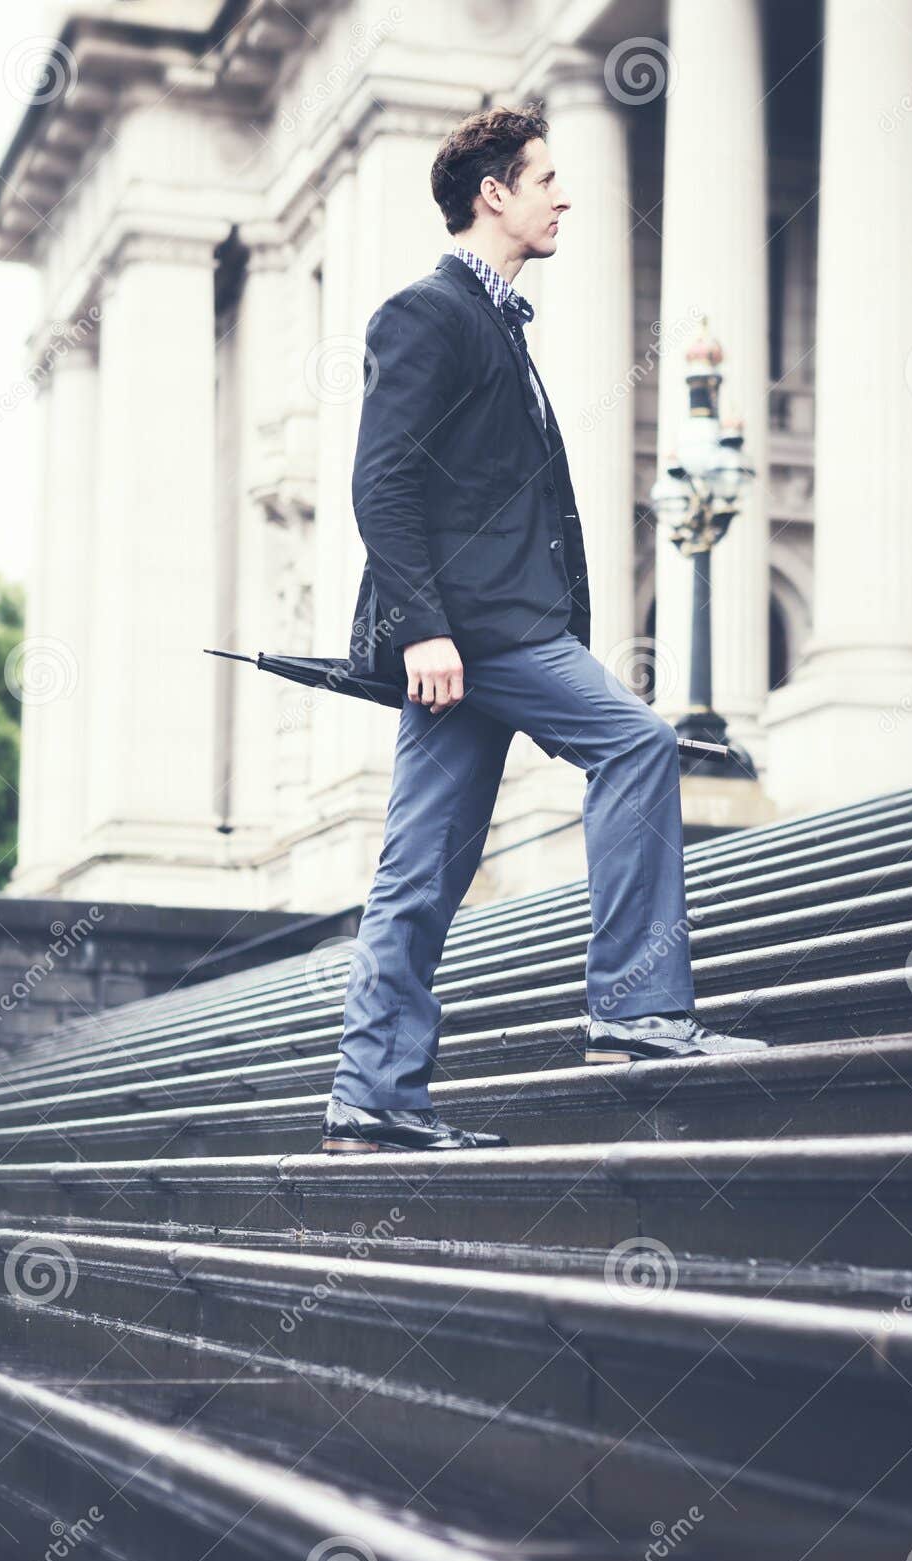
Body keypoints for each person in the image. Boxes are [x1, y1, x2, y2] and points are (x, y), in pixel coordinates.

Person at [322, 103, 769, 1156]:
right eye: (545, 178)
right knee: (636, 740)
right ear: (494, 194)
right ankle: (633, 1010)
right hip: (481, 631)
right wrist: (426, 630)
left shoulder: (496, 321)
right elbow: (379, 485)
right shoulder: (427, 314)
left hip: (483, 634)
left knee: (420, 863)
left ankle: (370, 1095)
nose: (563, 195)